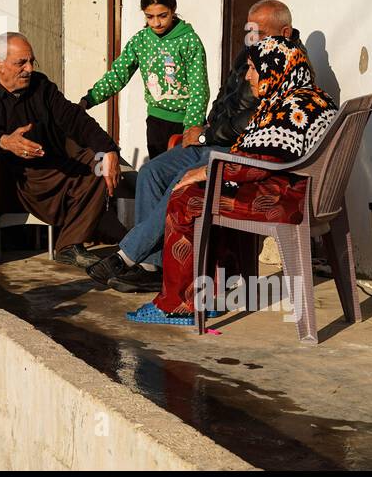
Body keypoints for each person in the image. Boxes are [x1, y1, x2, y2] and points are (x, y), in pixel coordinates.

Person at [89, 0, 308, 293]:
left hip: (237, 151)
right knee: (152, 171)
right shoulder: (250, 53)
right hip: (213, 140)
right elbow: (224, 99)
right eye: (249, 31)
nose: (252, 38)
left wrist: (206, 136)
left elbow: (252, 119)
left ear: (285, 31)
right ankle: (153, 266)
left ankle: (126, 256)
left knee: (181, 181)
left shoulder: (290, 64)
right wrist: (204, 129)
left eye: (260, 32)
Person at [126, 35, 338, 325]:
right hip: (304, 192)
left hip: (287, 199)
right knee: (208, 190)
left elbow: (262, 161)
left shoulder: (289, 108)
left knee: (188, 199)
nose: (248, 75)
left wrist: (204, 172)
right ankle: (208, 297)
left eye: (253, 68)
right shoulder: (312, 97)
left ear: (274, 69)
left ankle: (179, 304)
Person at [0, 31, 120, 270]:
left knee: (98, 163)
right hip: (0, 179)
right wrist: (5, 141)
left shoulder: (42, 86)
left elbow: (75, 119)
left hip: (42, 173)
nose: (29, 69)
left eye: (32, 61)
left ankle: (70, 245)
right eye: (21, 63)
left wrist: (109, 149)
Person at [78, 0, 209, 161]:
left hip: (184, 124)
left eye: (162, 16)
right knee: (156, 174)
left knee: (179, 179)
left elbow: (199, 89)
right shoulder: (141, 41)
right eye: (150, 17)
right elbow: (118, 74)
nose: (156, 23)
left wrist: (192, 127)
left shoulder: (189, 41)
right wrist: (90, 99)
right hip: (155, 123)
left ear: (173, 9)